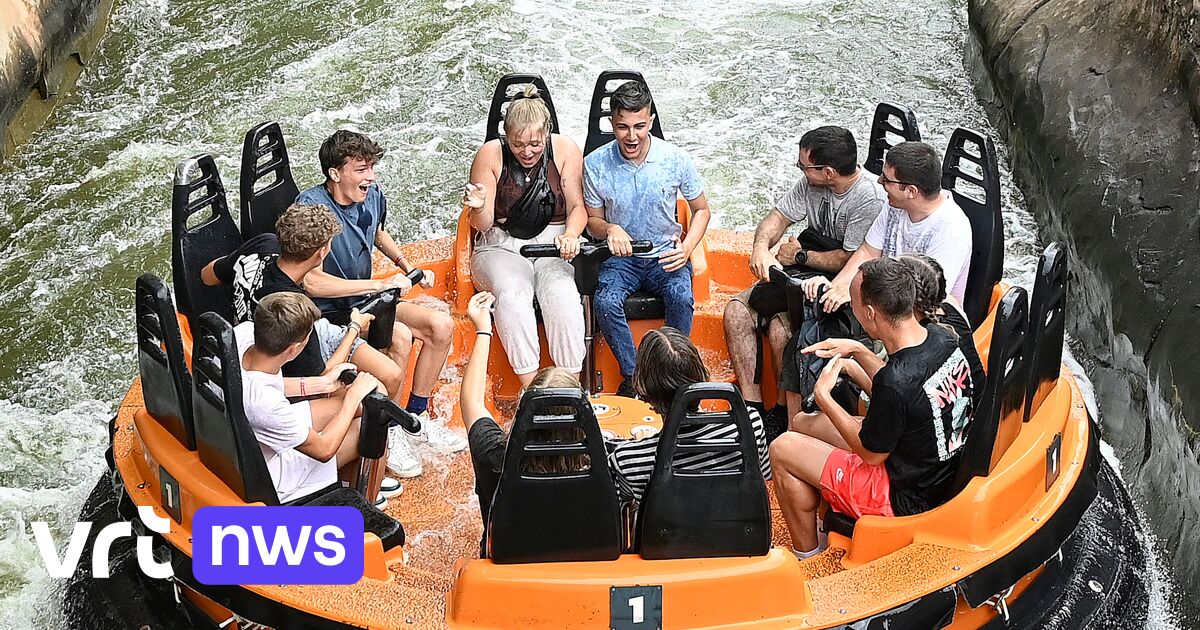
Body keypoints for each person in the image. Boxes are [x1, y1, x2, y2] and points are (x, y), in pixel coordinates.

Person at [201, 203, 452, 480]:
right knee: (372, 394)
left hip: (274, 335)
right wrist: (355, 327)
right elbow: (326, 374)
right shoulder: (296, 317)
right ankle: (375, 451)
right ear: (321, 252)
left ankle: (394, 434)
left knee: (391, 373)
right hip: (292, 342)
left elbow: (208, 274)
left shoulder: (264, 245)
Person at [769, 258, 975, 559]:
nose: (850, 308)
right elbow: (906, 396)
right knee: (802, 422)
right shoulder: (941, 338)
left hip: (900, 498)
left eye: (853, 303)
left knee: (783, 448)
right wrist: (857, 352)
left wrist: (824, 397)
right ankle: (823, 511)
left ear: (870, 312)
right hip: (935, 471)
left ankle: (808, 555)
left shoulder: (896, 382)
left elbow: (870, 453)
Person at [296, 130, 467, 470]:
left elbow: (376, 232)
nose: (370, 177)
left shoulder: (371, 195)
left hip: (370, 300)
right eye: (361, 169)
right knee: (400, 337)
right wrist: (376, 285)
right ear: (335, 174)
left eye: (371, 167)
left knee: (440, 325)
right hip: (329, 314)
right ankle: (387, 430)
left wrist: (407, 265)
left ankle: (415, 419)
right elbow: (310, 281)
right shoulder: (311, 209)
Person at [722, 126, 886, 430]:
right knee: (736, 312)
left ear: (827, 172)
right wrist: (761, 248)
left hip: (838, 286)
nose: (800, 170)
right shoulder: (809, 184)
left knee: (781, 330)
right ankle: (752, 410)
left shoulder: (868, 200)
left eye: (803, 166)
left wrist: (799, 256)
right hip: (800, 275)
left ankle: (783, 420)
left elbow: (850, 258)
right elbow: (778, 218)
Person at [583, 80, 712, 396]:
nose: (632, 136)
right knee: (605, 301)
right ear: (612, 122)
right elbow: (592, 221)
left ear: (651, 121)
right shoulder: (595, 164)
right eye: (623, 127)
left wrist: (687, 247)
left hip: (665, 253)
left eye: (640, 126)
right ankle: (636, 376)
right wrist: (611, 230)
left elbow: (701, 210)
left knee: (681, 296)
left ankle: (676, 374)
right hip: (621, 260)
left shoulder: (675, 158)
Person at [462, 85, 587, 387]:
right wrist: (477, 208)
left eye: (535, 143)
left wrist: (571, 235)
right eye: (519, 145)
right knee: (513, 293)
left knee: (562, 293)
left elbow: (578, 208)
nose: (528, 152)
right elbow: (482, 223)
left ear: (547, 133)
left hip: (553, 241)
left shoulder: (565, 149)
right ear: (507, 136)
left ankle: (569, 383)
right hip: (501, 244)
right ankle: (531, 387)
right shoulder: (490, 155)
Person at [233, 292, 396, 506]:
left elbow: (258, 382)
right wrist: (352, 398)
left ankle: (348, 481)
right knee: (371, 424)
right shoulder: (266, 404)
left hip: (250, 435)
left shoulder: (242, 335)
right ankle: (366, 506)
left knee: (361, 402)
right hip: (271, 476)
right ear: (294, 348)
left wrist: (322, 383)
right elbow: (324, 450)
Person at [459, 291, 587, 527]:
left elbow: (472, 402)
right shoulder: (601, 462)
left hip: (508, 559)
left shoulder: (495, 455)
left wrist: (483, 330)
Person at [803, 141, 973, 314]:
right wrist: (836, 288)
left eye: (886, 179)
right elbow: (868, 251)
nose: (879, 181)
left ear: (911, 191)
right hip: (884, 297)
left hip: (923, 315)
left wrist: (857, 295)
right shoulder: (895, 205)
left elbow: (926, 300)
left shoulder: (951, 232)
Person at [608, 326, 771, 503]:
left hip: (670, 529)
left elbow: (618, 509)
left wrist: (644, 444)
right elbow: (763, 480)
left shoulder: (628, 460)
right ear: (700, 374)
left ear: (643, 388)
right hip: (739, 527)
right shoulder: (751, 424)